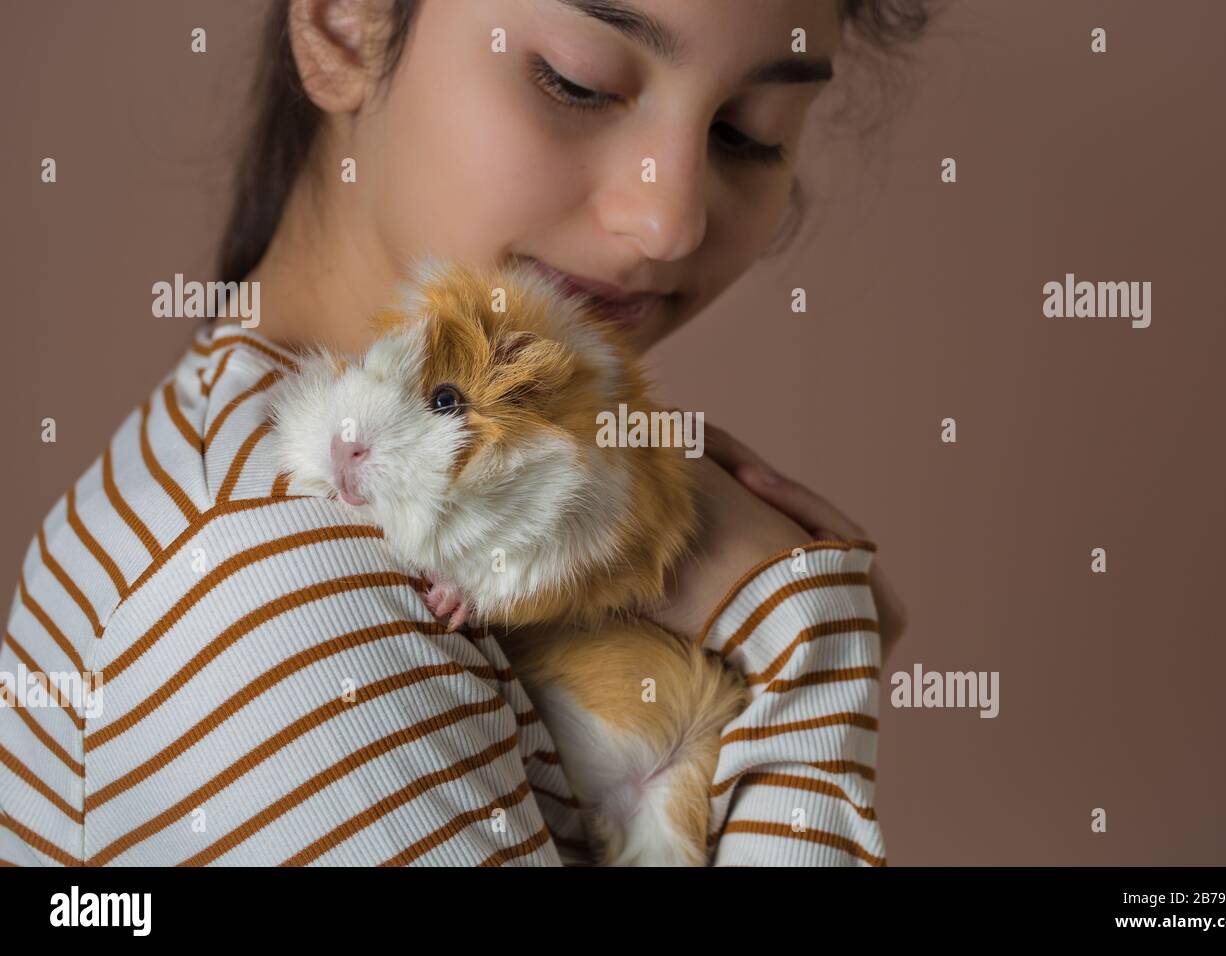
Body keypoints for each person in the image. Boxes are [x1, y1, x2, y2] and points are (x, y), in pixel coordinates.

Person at [0, 0, 924, 866]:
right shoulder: (286, 590)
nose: (668, 222)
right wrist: (811, 648)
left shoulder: (247, 482)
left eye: (747, 134)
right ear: (346, 23)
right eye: (578, 83)